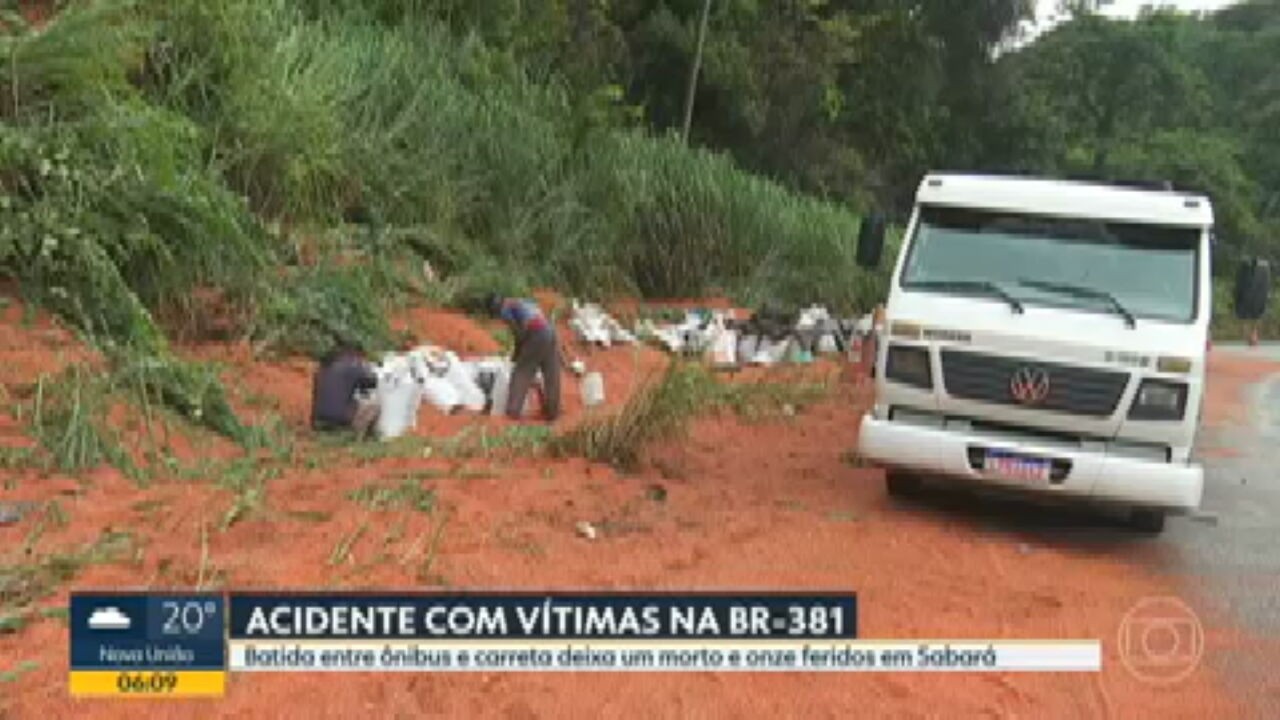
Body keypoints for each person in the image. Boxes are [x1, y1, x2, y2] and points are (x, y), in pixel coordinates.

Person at [488, 294, 561, 421]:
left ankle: (512, 412)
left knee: (522, 372)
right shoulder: (523, 302)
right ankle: (552, 411)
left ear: (496, 307)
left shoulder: (505, 309)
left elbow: (519, 333)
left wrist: (517, 356)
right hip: (551, 332)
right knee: (551, 374)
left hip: (537, 333)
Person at [311, 340, 380, 439]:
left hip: (318, 420)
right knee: (374, 407)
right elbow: (372, 381)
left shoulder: (322, 367)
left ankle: (328, 429)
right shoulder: (353, 364)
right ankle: (359, 435)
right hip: (339, 419)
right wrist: (366, 367)